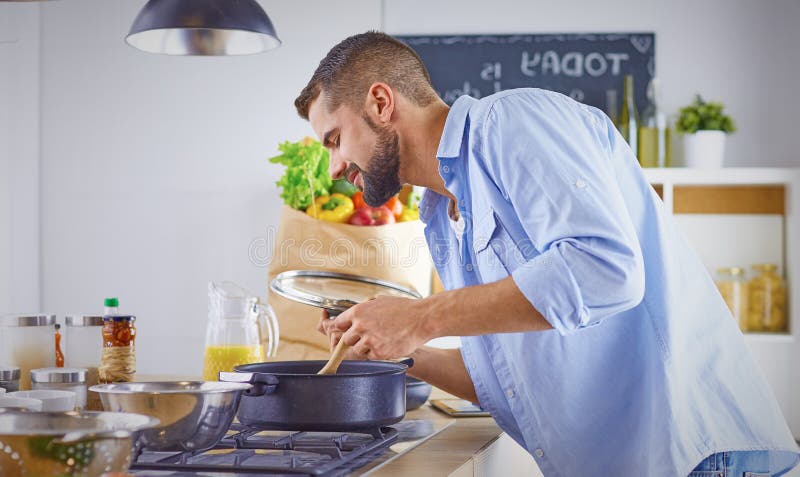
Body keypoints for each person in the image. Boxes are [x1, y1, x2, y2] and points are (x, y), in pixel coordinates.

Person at [294, 31, 800, 476]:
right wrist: (400, 352)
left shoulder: (508, 122)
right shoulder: (439, 220)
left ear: (381, 103)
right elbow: (507, 377)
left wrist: (418, 317)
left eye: (335, 139)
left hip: (690, 455)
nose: (335, 165)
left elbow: (608, 270)